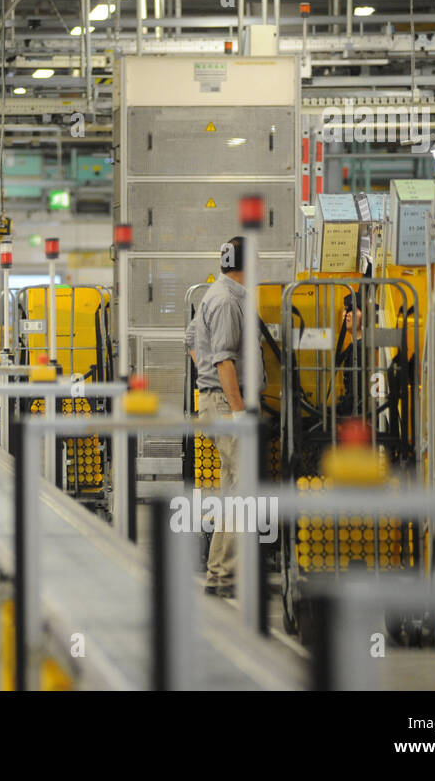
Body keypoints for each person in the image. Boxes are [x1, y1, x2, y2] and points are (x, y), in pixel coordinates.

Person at [185, 236, 256, 598]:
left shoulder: (213, 294)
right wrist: (237, 407)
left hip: (215, 402)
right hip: (226, 407)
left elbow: (192, 342)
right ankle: (227, 577)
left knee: (232, 492)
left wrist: (209, 383)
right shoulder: (229, 301)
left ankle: (220, 575)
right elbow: (224, 358)